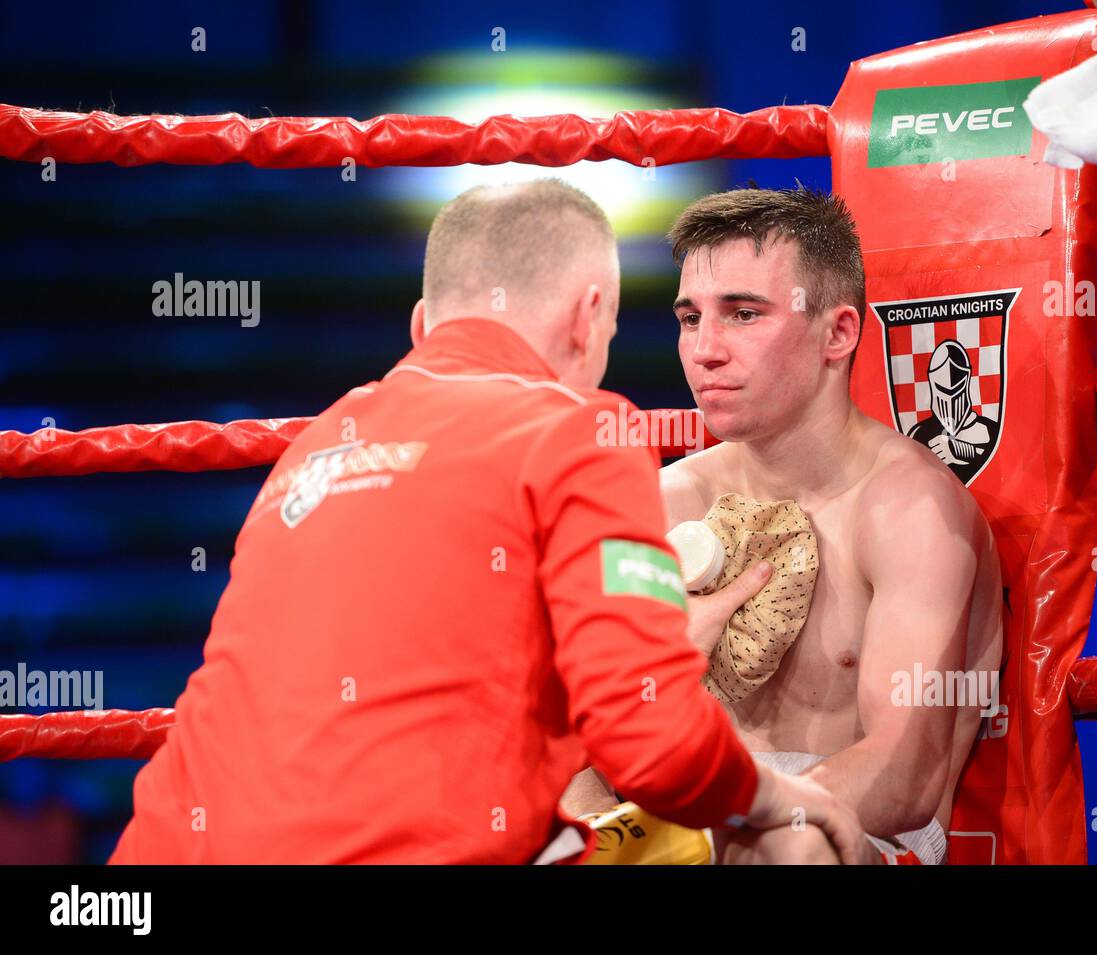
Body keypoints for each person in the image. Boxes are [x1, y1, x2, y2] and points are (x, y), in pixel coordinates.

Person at [109, 180, 863, 865]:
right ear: (589, 313)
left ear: (420, 324)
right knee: (794, 847)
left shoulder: (316, 445)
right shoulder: (580, 431)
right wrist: (779, 795)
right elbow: (654, 741)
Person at [566, 186, 1004, 865]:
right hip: (693, 824)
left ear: (838, 332)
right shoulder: (663, 501)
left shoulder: (910, 508)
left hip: (845, 838)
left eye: (742, 314)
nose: (705, 349)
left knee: (794, 845)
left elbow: (906, 776)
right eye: (690, 318)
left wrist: (729, 820)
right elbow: (575, 733)